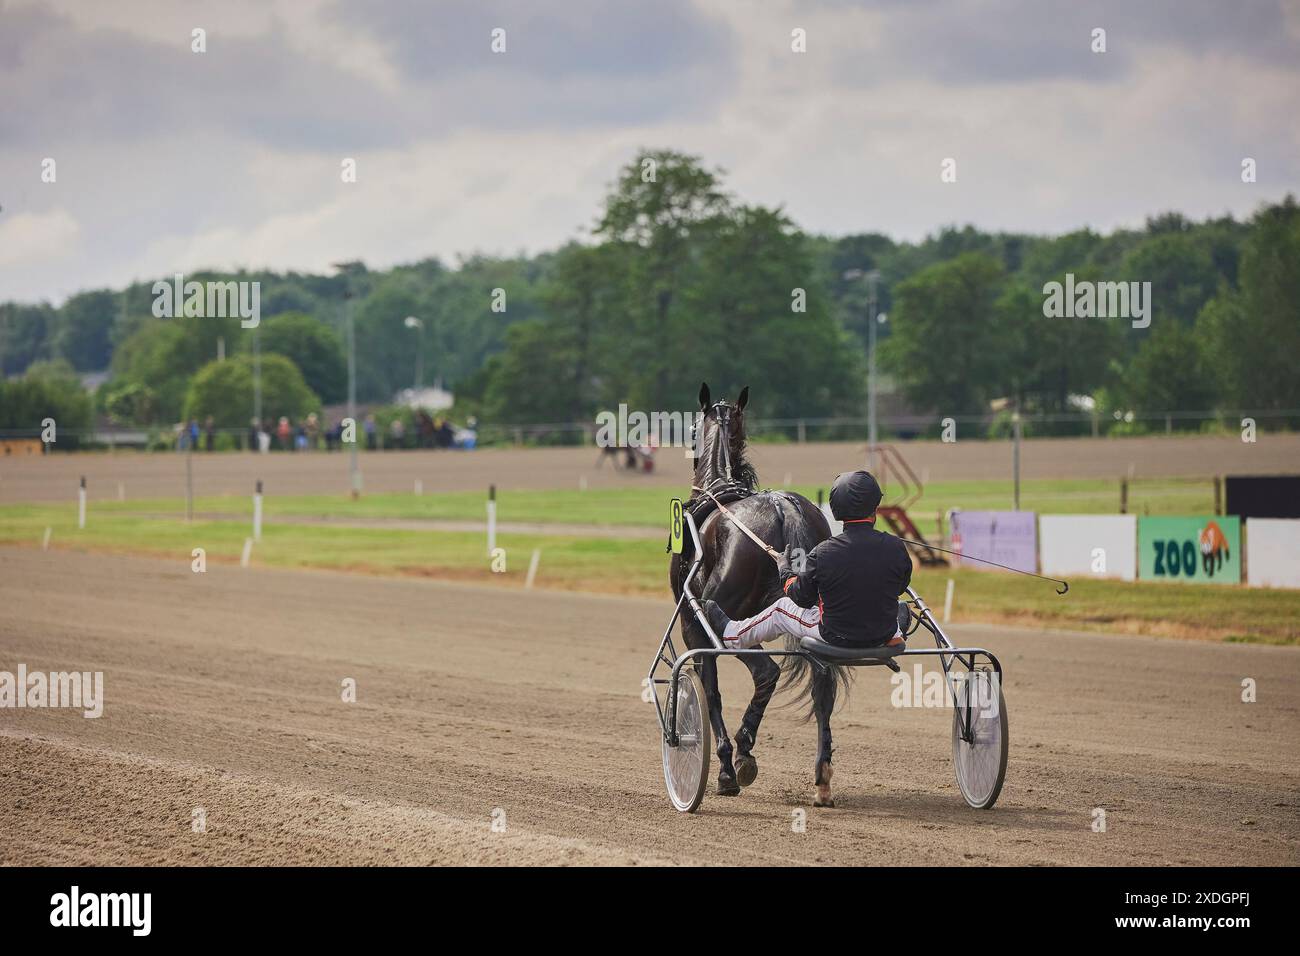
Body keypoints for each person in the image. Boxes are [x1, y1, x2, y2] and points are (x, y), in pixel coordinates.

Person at [703, 471, 912, 649]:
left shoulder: (824, 552)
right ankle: (896, 628)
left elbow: (800, 597)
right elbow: (900, 586)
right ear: (875, 506)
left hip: (835, 635)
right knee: (893, 603)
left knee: (781, 608)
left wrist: (785, 569)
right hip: (883, 633)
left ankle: (732, 634)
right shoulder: (896, 546)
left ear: (837, 509)